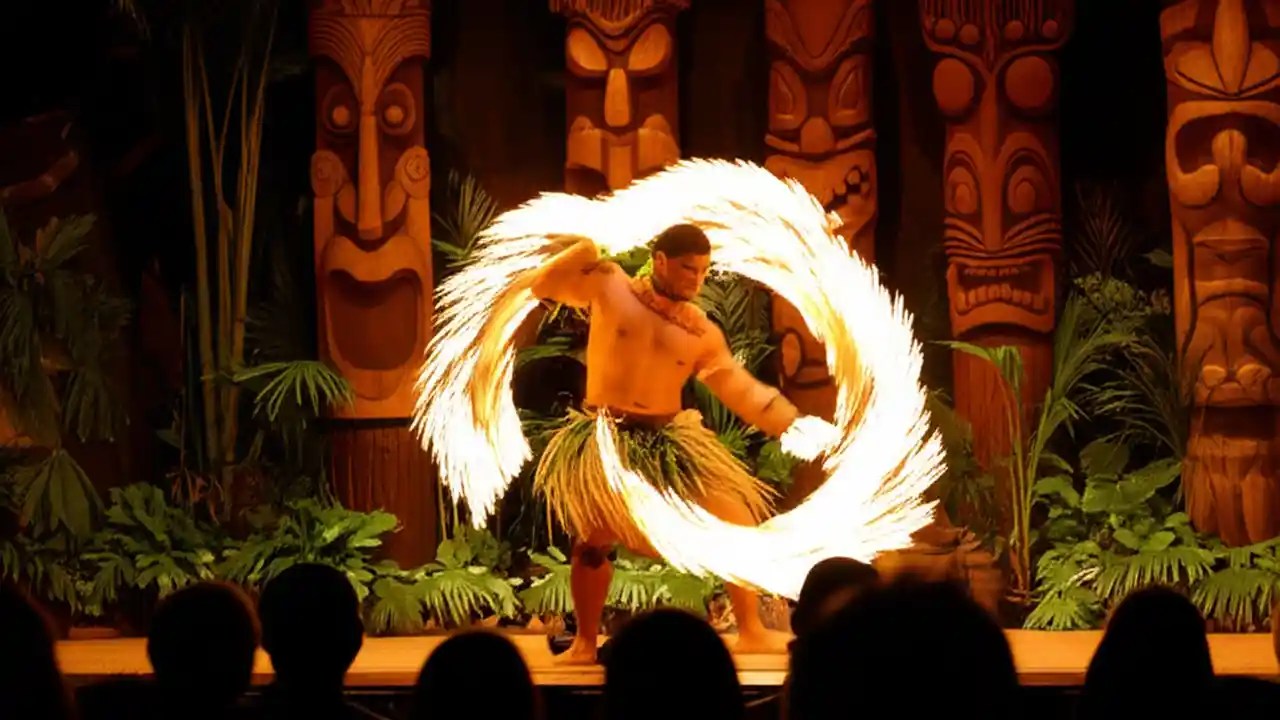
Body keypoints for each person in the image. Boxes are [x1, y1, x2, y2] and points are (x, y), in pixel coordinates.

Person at [531, 222, 809, 664]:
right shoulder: (610, 285)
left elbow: (739, 389)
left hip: (668, 440)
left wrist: (794, 425)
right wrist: (580, 249)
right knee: (592, 542)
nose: (697, 280)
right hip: (608, 439)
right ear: (660, 261)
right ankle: (584, 642)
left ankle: (752, 630)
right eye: (687, 269)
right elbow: (544, 285)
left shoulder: (700, 332)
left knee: (737, 519)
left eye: (703, 271)